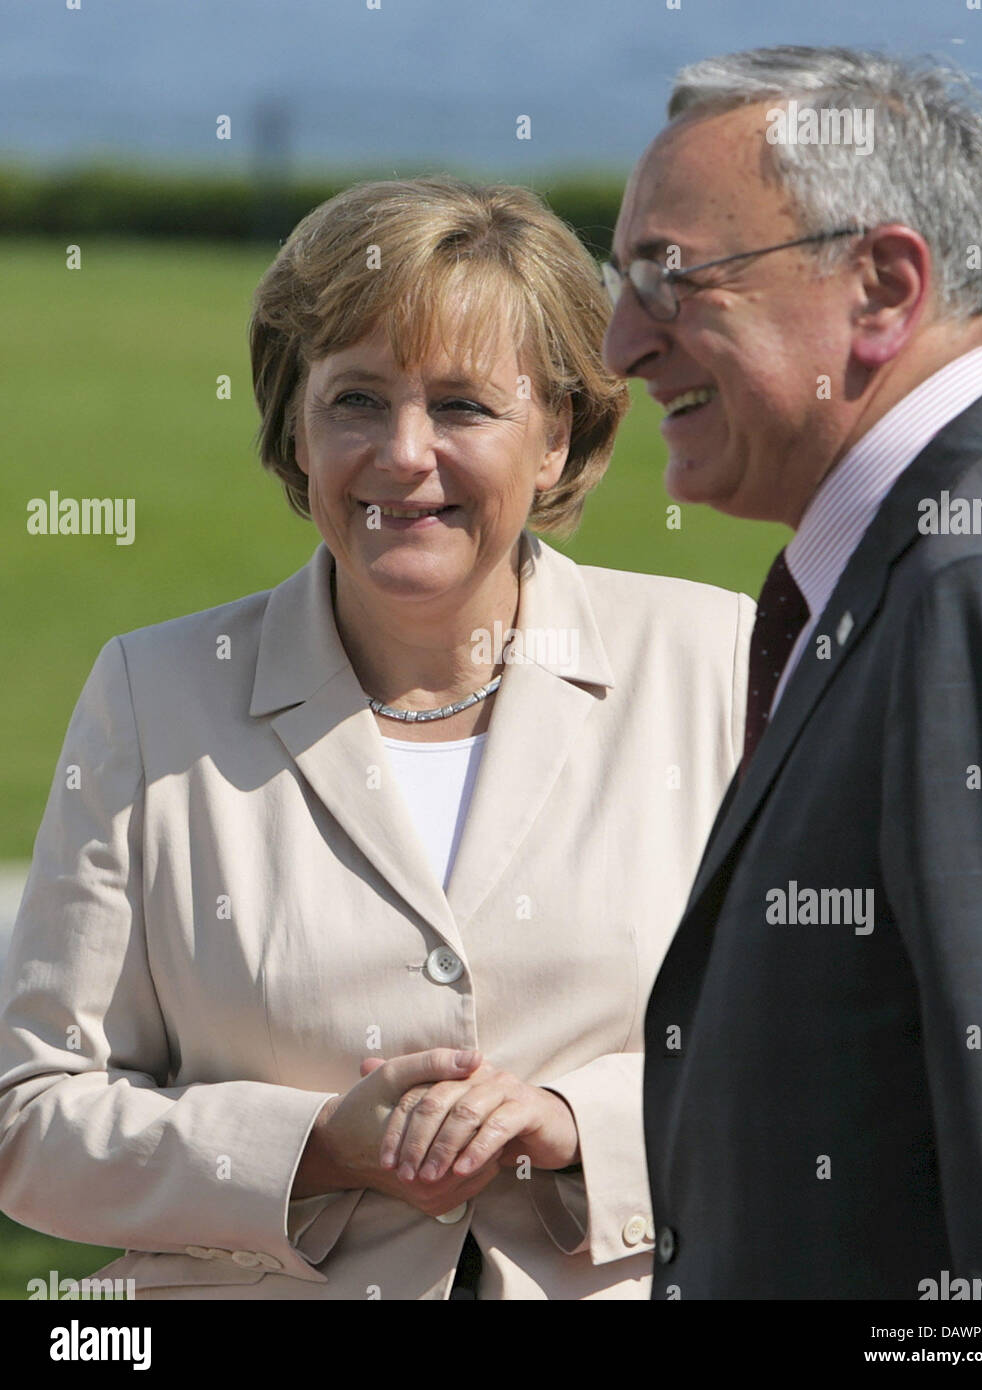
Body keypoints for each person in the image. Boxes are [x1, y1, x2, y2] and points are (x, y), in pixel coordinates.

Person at [0, 176, 752, 1300]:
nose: (403, 455)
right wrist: (310, 1147)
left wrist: (572, 1125)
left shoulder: (717, 664)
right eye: (355, 400)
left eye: (461, 406)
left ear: (557, 436)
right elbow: (31, 1119)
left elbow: (827, 1074)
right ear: (295, 432)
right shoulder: (151, 695)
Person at [602, 45, 982, 1299]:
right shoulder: (910, 564)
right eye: (619, 277)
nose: (621, 341)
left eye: (669, 277)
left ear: (881, 289)